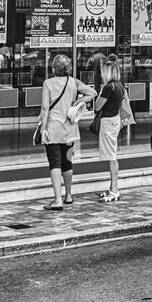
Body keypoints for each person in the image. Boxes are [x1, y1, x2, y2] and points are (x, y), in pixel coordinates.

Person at [40, 53, 94, 211]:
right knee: (67, 161)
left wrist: (43, 129)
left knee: (54, 163)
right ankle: (69, 195)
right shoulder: (73, 82)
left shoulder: (48, 83)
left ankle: (57, 199)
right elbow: (92, 93)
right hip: (70, 130)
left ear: (53, 68)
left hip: (53, 129)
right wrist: (79, 101)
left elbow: (45, 108)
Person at [94, 58, 125, 202]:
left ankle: (114, 190)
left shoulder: (108, 87)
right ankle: (113, 187)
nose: (101, 75)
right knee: (112, 154)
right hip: (115, 119)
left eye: (102, 72)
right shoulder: (119, 86)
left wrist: (100, 93)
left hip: (108, 122)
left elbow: (97, 106)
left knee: (112, 156)